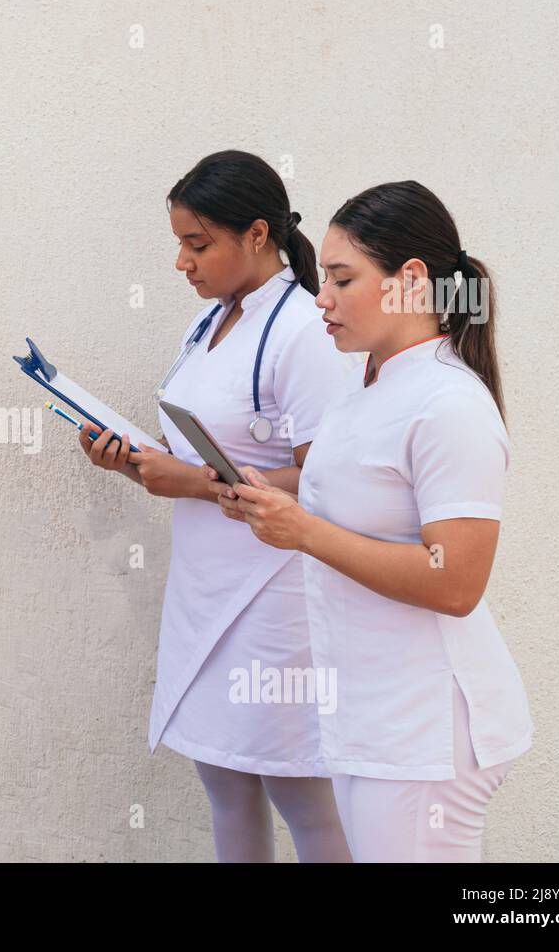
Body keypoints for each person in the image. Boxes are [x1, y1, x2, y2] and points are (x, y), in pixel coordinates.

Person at [225, 180, 533, 861]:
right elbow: (344, 498)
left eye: (341, 278)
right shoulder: (368, 384)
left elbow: (455, 583)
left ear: (409, 281)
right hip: (370, 715)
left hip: (426, 729)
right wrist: (258, 494)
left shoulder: (448, 405)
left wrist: (303, 532)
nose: (320, 298)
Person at [78, 150, 356, 861]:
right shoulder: (209, 326)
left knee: (300, 791)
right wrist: (140, 463)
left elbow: (330, 477)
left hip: (273, 597)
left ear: (257, 234)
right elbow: (208, 452)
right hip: (205, 587)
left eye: (197, 244)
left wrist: (194, 482)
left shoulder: (305, 330)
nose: (181, 262)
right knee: (224, 780)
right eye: (179, 243)